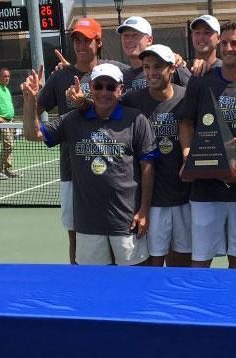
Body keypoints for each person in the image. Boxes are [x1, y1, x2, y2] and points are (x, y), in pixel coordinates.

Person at [21, 63, 157, 266]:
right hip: (88, 225)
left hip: (126, 222)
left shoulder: (136, 120)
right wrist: (31, 100)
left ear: (121, 90)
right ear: (90, 88)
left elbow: (148, 168)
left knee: (134, 281)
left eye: (110, 87)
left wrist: (144, 211)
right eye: (98, 86)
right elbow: (33, 134)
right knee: (94, 286)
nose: (104, 92)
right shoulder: (73, 120)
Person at [178, 20, 236, 269]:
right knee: (201, 259)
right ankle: (199, 305)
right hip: (204, 188)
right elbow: (187, 122)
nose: (229, 48)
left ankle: (233, 306)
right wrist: (188, 154)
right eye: (224, 43)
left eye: (235, 43)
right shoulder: (200, 81)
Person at [38, 17, 127, 264]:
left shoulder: (116, 71)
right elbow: (37, 106)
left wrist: (178, 59)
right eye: (76, 40)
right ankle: (78, 286)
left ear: (98, 43)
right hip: (73, 173)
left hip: (114, 172)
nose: (80, 45)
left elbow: (149, 73)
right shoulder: (60, 77)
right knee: (77, 238)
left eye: (86, 40)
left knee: (115, 237)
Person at [120, 44, 192, 267]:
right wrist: (83, 102)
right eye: (147, 67)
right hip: (150, 202)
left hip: (184, 198)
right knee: (152, 265)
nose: (151, 73)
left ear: (172, 69)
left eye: (158, 67)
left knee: (181, 265)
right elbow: (105, 106)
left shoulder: (185, 97)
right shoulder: (132, 100)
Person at [117, 16, 191, 93]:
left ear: (149, 40)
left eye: (135, 35)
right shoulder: (120, 77)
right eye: (125, 36)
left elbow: (195, 94)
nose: (128, 40)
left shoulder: (172, 65)